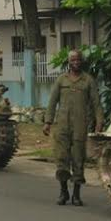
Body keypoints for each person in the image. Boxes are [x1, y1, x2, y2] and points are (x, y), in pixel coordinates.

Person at [43, 50, 104, 206]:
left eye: (78, 60)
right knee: (61, 159)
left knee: (78, 159)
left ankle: (76, 195)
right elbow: (52, 102)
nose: (76, 62)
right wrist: (48, 122)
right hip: (62, 126)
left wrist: (99, 122)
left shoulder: (88, 80)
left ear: (81, 61)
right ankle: (63, 192)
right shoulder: (61, 80)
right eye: (73, 60)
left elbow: (96, 103)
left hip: (79, 126)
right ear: (68, 62)